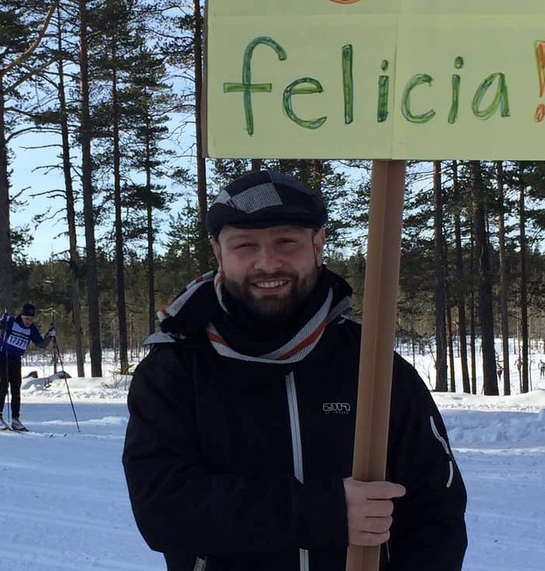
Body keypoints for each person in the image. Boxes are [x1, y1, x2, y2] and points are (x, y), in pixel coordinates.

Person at [121, 170, 467, 570]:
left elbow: (436, 511)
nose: (267, 263)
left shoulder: (371, 365)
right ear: (218, 253)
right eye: (244, 245)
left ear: (318, 244)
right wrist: (325, 512)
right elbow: (162, 509)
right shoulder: (176, 367)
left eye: (286, 241)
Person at [0, 303, 54, 431]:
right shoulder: (11, 321)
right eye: (26, 319)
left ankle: (15, 419)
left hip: (15, 359)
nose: (29, 322)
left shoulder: (31, 329)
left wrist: (50, 336)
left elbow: (41, 344)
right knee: (3, 386)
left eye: (31, 319)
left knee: (16, 389)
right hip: (2, 357)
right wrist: (0, 320)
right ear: (21, 316)